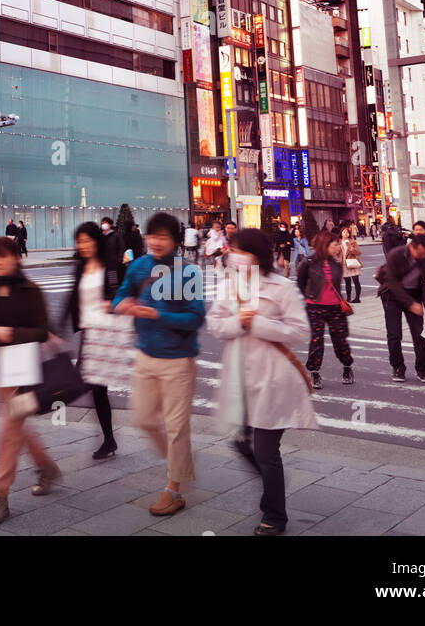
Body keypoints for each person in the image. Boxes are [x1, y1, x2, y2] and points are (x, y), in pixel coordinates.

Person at [210, 227, 317, 536]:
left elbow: (300, 332)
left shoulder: (282, 287)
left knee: (265, 450)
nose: (232, 255)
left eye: (238, 250)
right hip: (240, 378)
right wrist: (236, 322)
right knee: (243, 443)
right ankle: (274, 482)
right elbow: (216, 325)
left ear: (256, 255)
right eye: (231, 250)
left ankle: (274, 516)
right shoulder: (229, 285)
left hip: (273, 379)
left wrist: (257, 323)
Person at [112, 212, 205, 518]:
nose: (156, 241)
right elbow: (122, 294)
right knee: (144, 419)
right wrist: (119, 305)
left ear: (176, 241)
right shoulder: (139, 266)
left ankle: (173, 489)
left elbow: (195, 318)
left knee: (177, 427)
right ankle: (181, 463)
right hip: (145, 355)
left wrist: (157, 315)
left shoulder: (186, 272)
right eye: (152, 236)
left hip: (178, 359)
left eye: (163, 237)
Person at [0, 236, 59, 527]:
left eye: (2, 256)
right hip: (1, 367)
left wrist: (11, 334)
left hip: (24, 368)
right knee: (17, 424)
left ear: (16, 257)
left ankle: (0, 494)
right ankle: (46, 467)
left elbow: (41, 330)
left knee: (10, 429)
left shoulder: (30, 290)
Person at [63, 221, 123, 460]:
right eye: (80, 241)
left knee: (89, 385)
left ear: (97, 241)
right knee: (97, 389)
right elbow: (71, 298)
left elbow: (120, 291)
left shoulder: (110, 266)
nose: (83, 245)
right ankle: (109, 439)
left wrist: (111, 303)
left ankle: (108, 439)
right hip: (89, 333)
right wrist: (58, 330)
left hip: (106, 333)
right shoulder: (80, 267)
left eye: (88, 240)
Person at [376, 233, 425, 382]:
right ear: (412, 247)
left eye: (424, 254)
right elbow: (392, 282)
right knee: (394, 334)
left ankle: (423, 370)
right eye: (419, 253)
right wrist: (410, 304)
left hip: (414, 294)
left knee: (419, 333)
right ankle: (398, 368)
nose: (421, 256)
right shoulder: (396, 254)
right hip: (392, 295)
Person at [297, 232, 354, 389]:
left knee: (340, 340)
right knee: (316, 340)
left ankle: (347, 366)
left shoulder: (336, 264)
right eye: (334, 245)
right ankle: (314, 372)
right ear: (324, 245)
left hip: (335, 308)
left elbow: (337, 287)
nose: (337, 247)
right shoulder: (309, 262)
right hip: (315, 307)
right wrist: (308, 297)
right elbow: (300, 283)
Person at [340, 224, 363, 303]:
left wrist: (350, 247)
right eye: (344, 232)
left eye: (347, 232)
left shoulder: (353, 242)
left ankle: (357, 298)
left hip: (352, 262)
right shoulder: (339, 243)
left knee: (356, 281)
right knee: (347, 282)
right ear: (341, 233)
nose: (346, 234)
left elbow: (358, 253)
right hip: (343, 264)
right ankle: (348, 298)